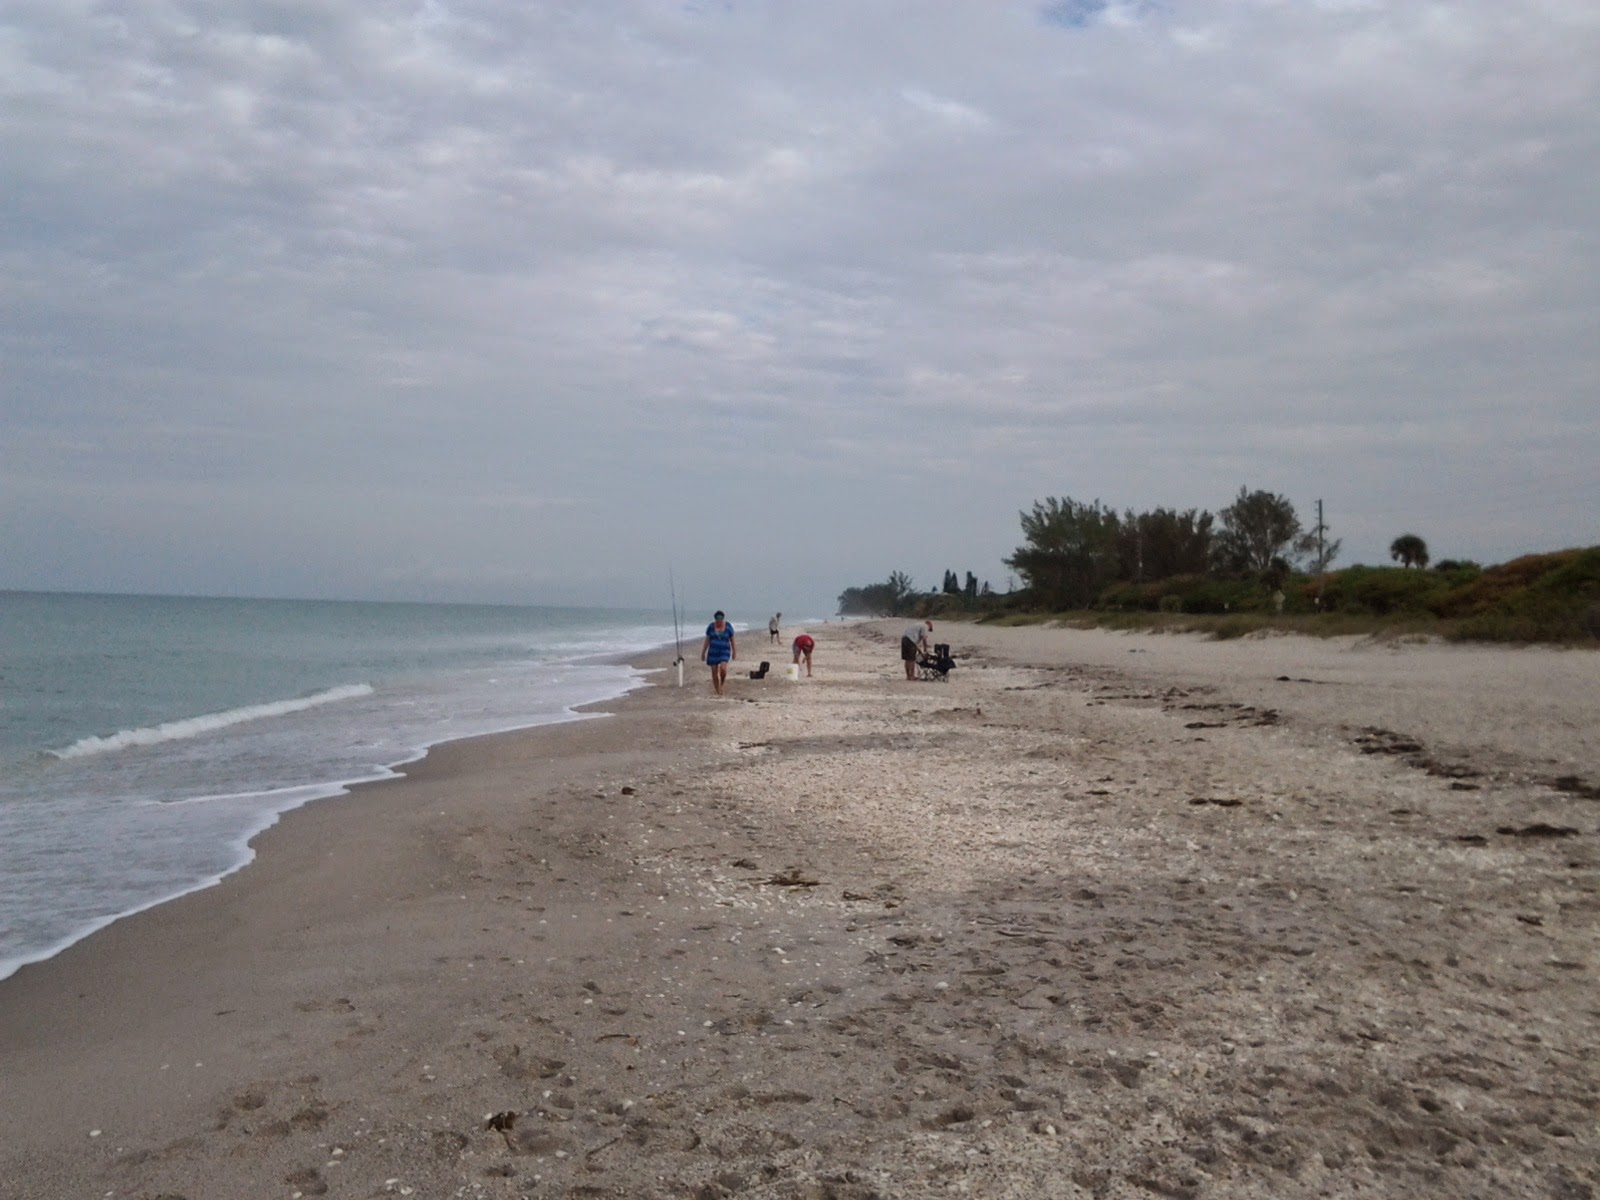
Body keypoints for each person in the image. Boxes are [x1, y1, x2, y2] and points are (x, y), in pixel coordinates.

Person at [701, 611, 737, 696]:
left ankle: (722, 684)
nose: (719, 621)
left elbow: (732, 640)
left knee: (723, 669)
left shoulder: (728, 626)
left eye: (720, 619)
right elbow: (707, 640)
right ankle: (717, 690)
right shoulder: (711, 627)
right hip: (713, 652)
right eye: (717, 619)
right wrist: (703, 652)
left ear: (723, 618)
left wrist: (734, 652)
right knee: (714, 671)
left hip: (724, 651)